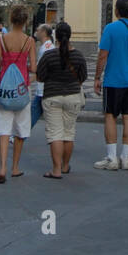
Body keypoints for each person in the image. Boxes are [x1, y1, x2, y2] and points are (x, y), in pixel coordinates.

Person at [94, 0, 128, 171]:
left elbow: (103, 55)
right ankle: (126, 158)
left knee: (110, 116)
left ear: (116, 11)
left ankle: (112, 158)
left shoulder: (110, 29)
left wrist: (97, 77)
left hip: (113, 81)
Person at [38, 21, 88, 178]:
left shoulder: (49, 55)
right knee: (68, 133)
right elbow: (83, 76)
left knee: (55, 134)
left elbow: (40, 76)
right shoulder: (79, 56)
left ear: (56, 37)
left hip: (52, 96)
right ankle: (65, 166)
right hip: (73, 97)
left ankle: (56, 169)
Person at [0, 5, 36, 183]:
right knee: (20, 129)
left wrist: (6, 63)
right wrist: (22, 67)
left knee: (4, 129)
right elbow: (33, 67)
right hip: (22, 89)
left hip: (4, 89)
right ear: (25, 21)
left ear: (11, 19)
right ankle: (15, 167)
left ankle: (2, 168)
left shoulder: (1, 39)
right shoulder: (29, 41)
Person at [31, 24, 54, 130]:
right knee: (36, 112)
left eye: (38, 30)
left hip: (44, 88)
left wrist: (29, 80)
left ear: (44, 32)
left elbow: (41, 69)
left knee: (35, 112)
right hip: (46, 88)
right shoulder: (46, 46)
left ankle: (19, 135)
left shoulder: (46, 48)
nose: (36, 31)